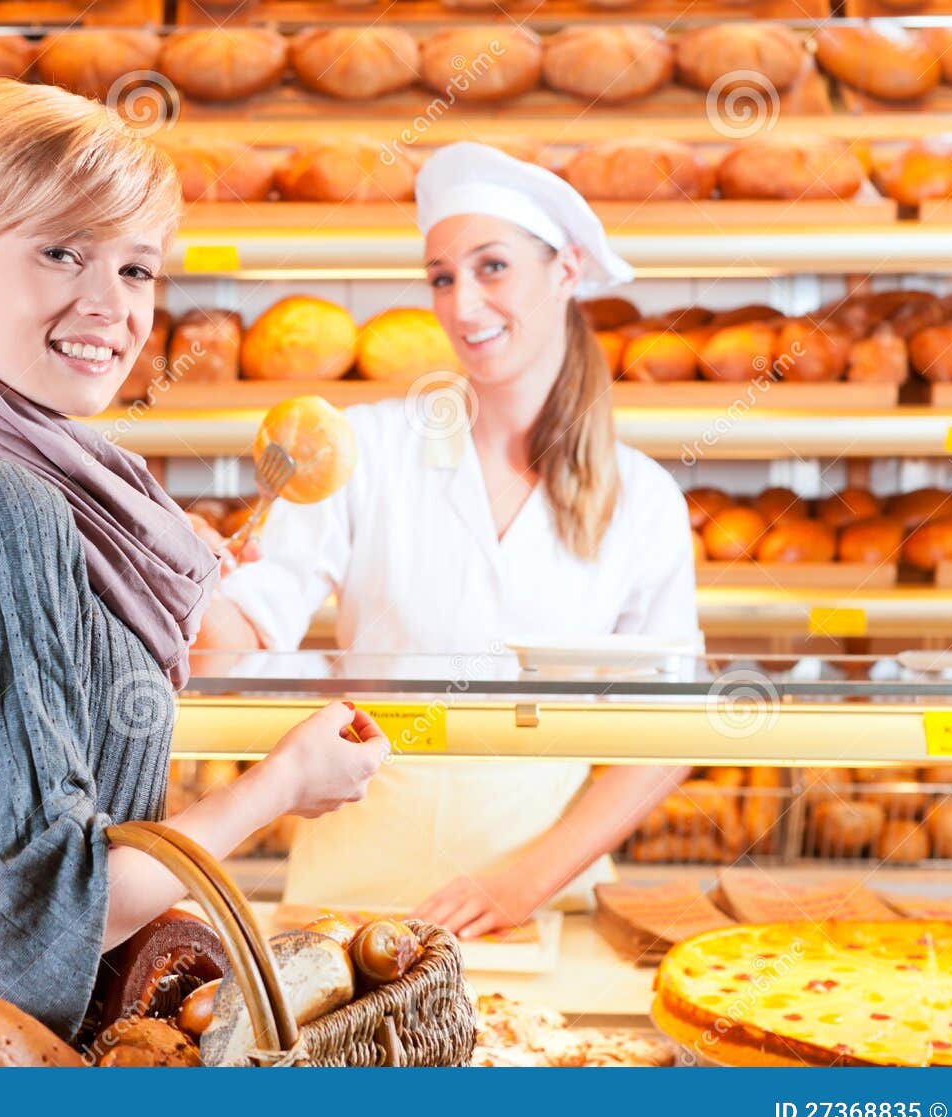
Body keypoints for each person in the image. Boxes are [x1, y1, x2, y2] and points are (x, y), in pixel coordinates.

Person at [0, 79, 389, 1041]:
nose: (111, 305)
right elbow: (42, 919)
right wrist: (276, 789)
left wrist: (151, 594)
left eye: (137, 268)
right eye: (62, 251)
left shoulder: (8, 487)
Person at [198, 142, 696, 939]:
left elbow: (670, 732)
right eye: (442, 276)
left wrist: (519, 887)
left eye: (491, 267)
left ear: (566, 268)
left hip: (538, 907)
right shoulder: (362, 448)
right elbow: (240, 641)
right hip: (350, 896)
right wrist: (191, 583)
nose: (462, 306)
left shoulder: (642, 498)